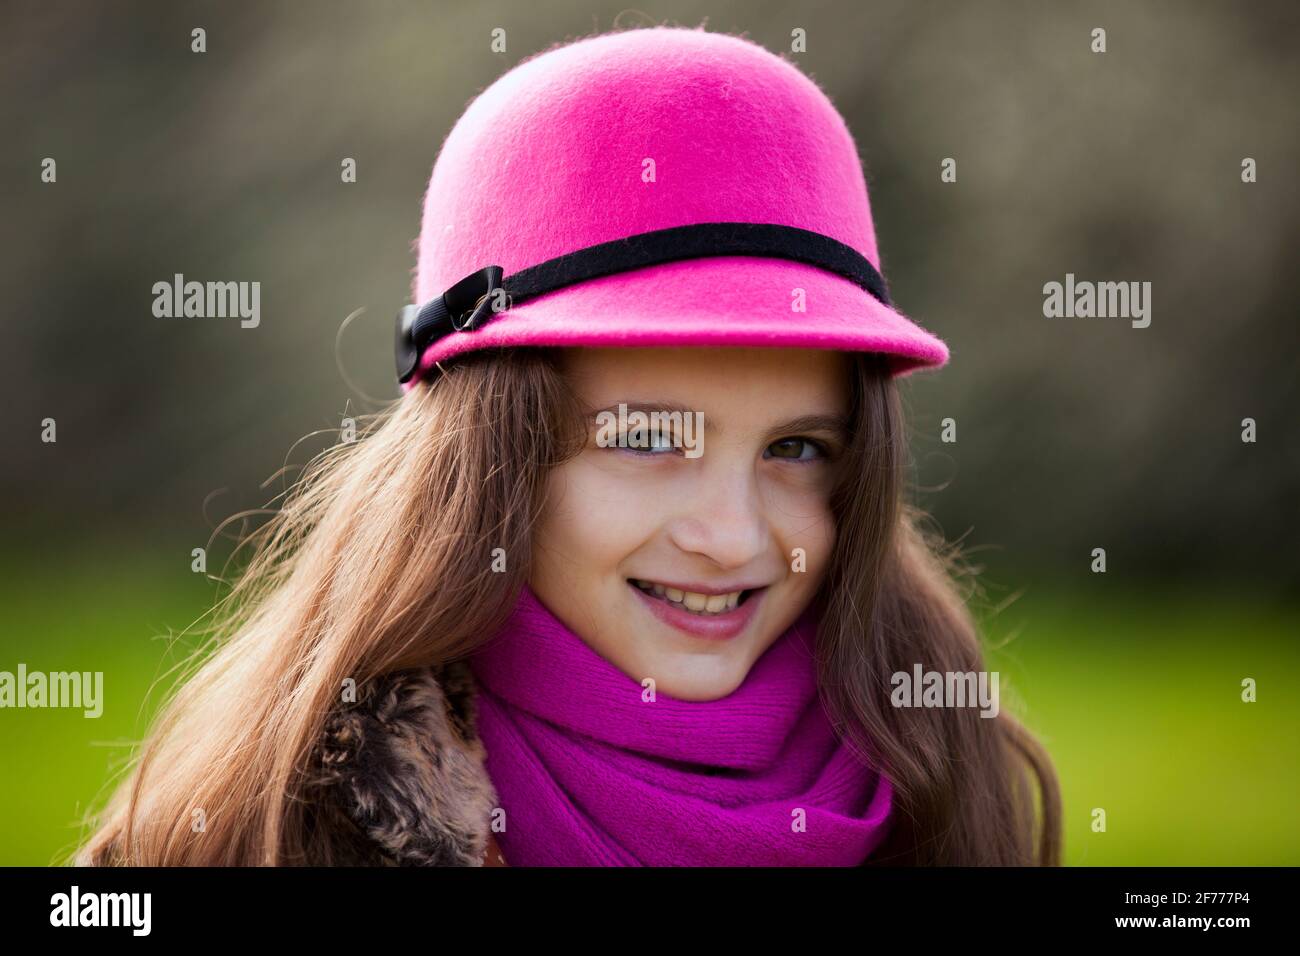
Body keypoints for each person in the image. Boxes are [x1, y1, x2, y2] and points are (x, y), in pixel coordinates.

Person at [76, 25, 1059, 867]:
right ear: (486, 465)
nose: (729, 534)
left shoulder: (936, 762)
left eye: (796, 448)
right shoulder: (277, 820)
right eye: (645, 438)